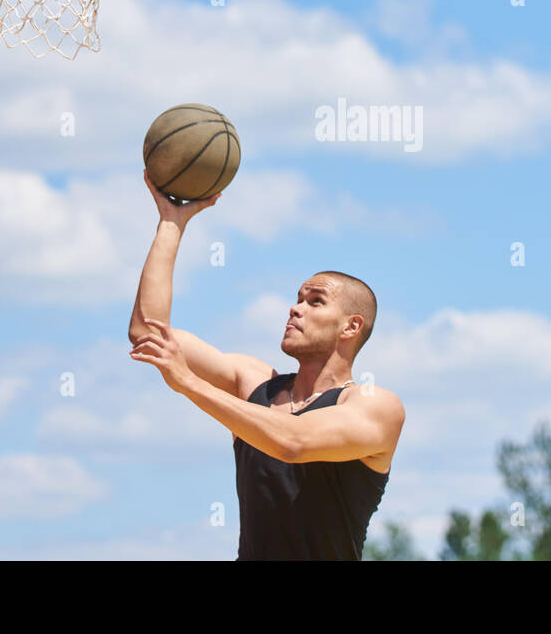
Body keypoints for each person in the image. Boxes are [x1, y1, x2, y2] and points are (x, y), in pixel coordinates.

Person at [128, 172, 406, 560]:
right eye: (297, 298)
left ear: (351, 326)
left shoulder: (375, 406)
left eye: (315, 301)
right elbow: (148, 333)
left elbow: (293, 442)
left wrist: (189, 383)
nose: (295, 307)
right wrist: (171, 224)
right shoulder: (255, 383)